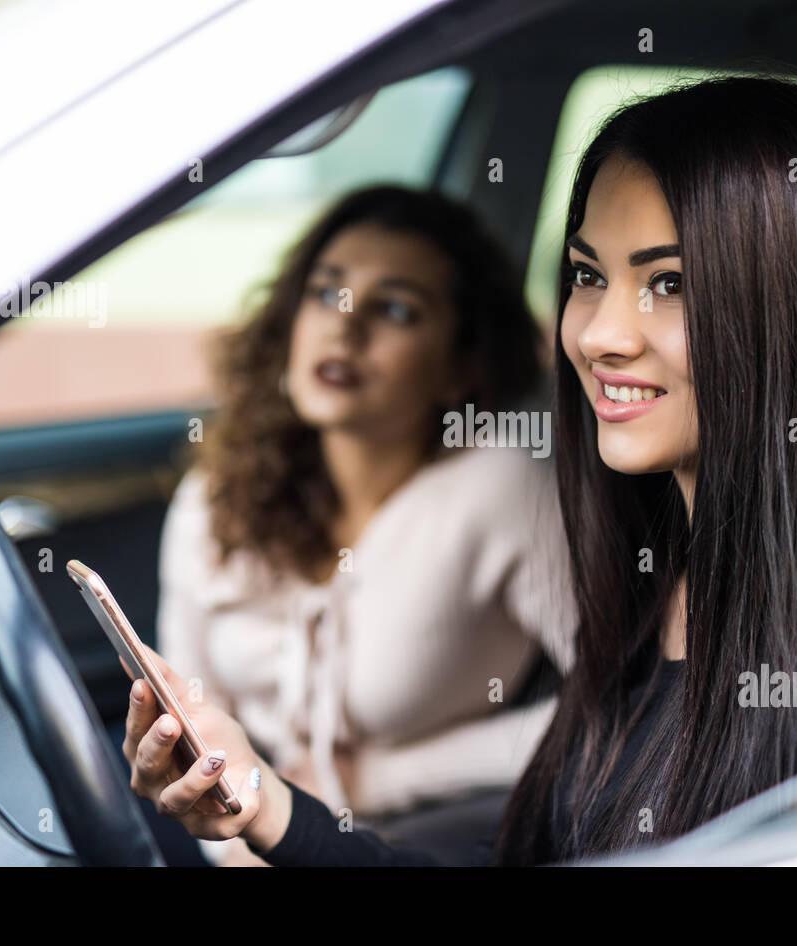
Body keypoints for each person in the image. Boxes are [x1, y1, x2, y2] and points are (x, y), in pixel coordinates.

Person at [126, 76, 797, 865]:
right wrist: (271, 808)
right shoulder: (652, 579)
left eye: (670, 284)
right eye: (589, 275)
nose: (597, 335)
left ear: (793, 311)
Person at [155, 186, 575, 864]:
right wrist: (235, 843)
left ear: (459, 368)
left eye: (397, 309)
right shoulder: (214, 495)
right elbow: (198, 711)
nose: (345, 327)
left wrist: (379, 778)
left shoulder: (504, 491)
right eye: (327, 293)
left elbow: (619, 712)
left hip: (426, 842)